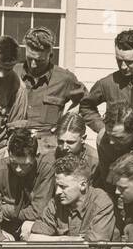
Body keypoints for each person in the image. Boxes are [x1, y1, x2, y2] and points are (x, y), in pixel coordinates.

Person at [0, 128, 55, 242]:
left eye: (25, 165)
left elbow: (39, 212)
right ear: (9, 153)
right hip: (2, 229)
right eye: (14, 163)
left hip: (33, 229)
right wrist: (1, 239)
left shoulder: (46, 170)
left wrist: (3, 210)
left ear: (35, 156)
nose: (18, 169)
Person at [18, 26, 86, 158]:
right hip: (16, 144)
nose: (33, 65)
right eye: (29, 58)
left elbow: (86, 101)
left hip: (48, 149)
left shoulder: (64, 78)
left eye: (39, 60)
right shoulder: (13, 73)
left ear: (50, 55)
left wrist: (66, 120)